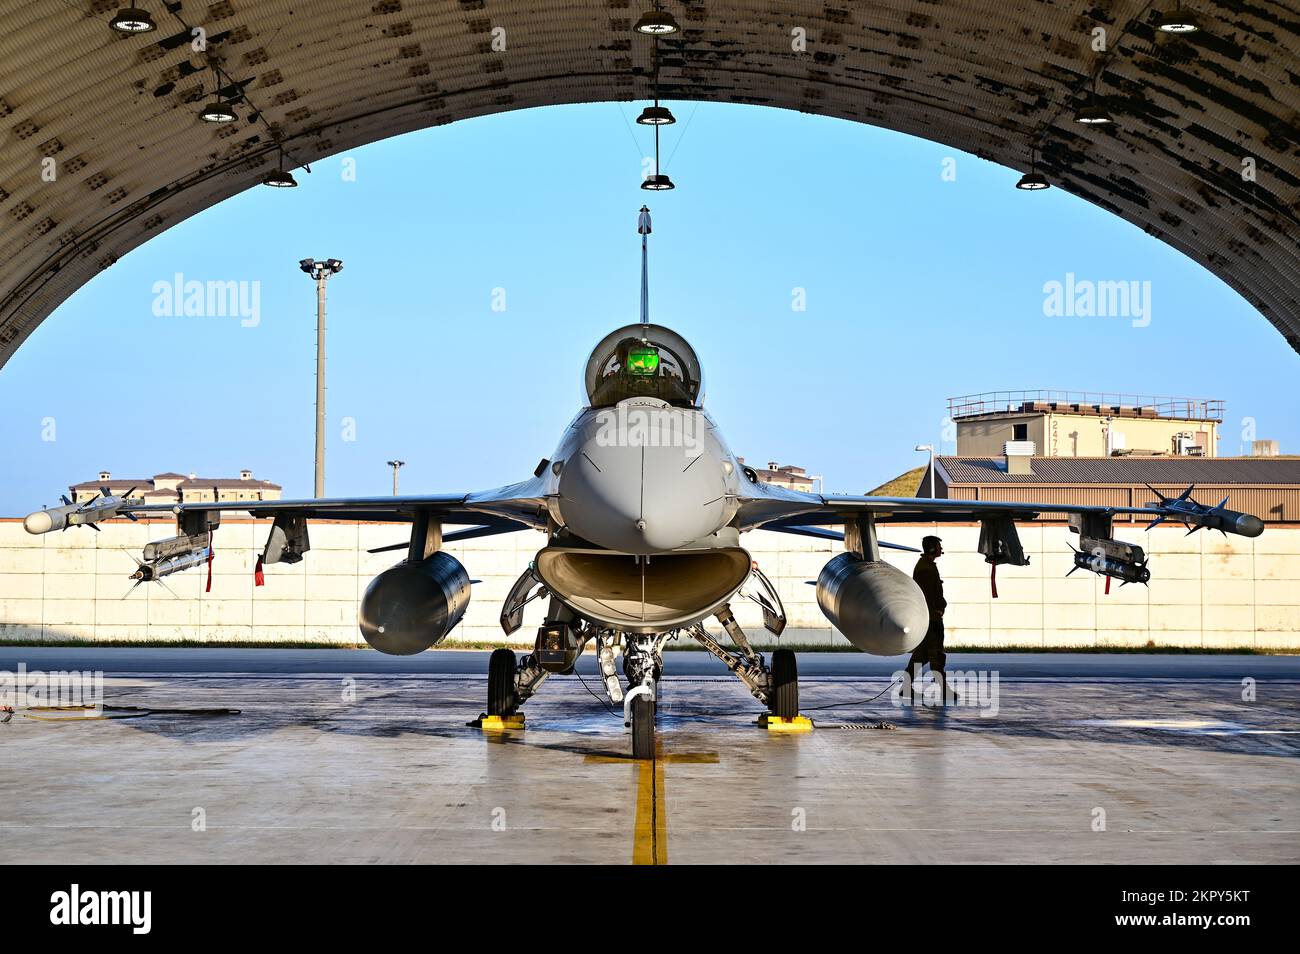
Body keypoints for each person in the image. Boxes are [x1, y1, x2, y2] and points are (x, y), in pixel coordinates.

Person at [902, 535, 955, 703]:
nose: (940, 549)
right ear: (932, 548)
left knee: (921, 655)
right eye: (938, 546)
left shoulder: (927, 566)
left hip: (929, 618)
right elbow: (928, 595)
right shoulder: (925, 569)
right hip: (931, 620)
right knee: (936, 655)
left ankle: (906, 687)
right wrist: (938, 610)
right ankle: (944, 690)